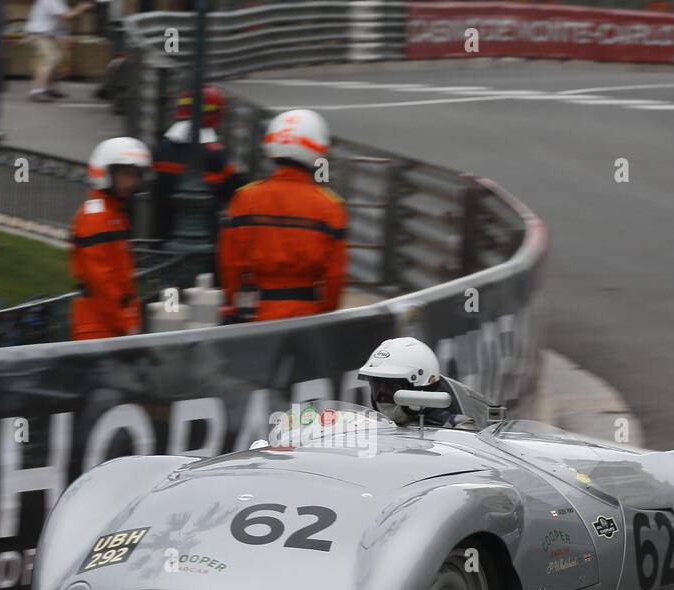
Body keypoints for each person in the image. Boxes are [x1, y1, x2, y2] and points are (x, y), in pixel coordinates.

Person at [217, 109, 347, 322]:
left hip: (254, 313)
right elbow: (334, 277)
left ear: (271, 147)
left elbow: (229, 265)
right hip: (306, 314)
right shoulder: (330, 206)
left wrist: (234, 302)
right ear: (318, 152)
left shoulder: (244, 198)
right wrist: (323, 313)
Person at [69, 137, 152, 340]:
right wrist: (128, 324)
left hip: (109, 322)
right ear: (106, 173)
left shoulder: (113, 212)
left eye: (135, 175)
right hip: (98, 326)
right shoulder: (98, 216)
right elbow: (103, 281)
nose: (132, 182)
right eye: (126, 174)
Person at [152, 85, 245, 242]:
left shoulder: (163, 148)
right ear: (214, 115)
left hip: (162, 237)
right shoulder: (215, 155)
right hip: (202, 241)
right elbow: (237, 189)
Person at [357, 337, 474, 429]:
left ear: (421, 389)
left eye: (390, 386)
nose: (381, 394)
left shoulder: (458, 428)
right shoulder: (364, 425)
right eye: (376, 385)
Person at [26, 0, 92, 103]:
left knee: (56, 59)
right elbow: (66, 16)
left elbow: (61, 21)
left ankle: (48, 88)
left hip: (47, 34)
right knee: (48, 59)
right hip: (39, 34)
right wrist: (81, 8)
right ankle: (37, 91)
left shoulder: (59, 2)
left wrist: (64, 37)